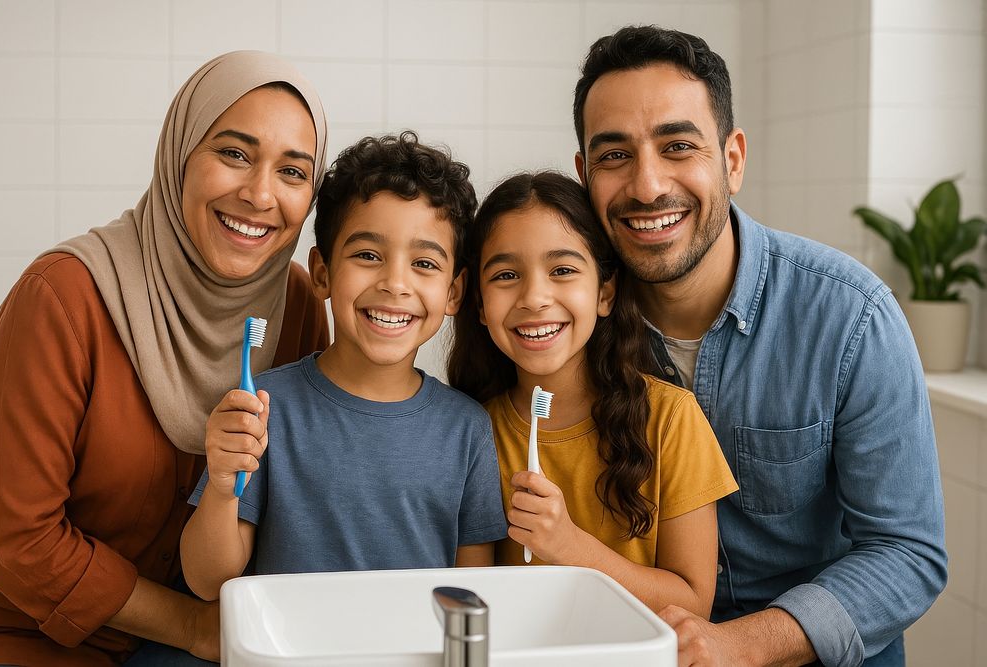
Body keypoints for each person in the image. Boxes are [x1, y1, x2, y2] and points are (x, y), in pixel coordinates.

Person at [571, 25, 947, 667]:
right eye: (614, 156)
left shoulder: (852, 317)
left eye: (678, 145)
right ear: (583, 175)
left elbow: (907, 553)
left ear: (733, 159)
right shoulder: (568, 324)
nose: (646, 185)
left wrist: (741, 644)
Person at [0, 51, 330, 666]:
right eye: (233, 153)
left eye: (294, 172)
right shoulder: (63, 297)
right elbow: (21, 541)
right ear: (179, 154)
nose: (259, 193)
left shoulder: (299, 305)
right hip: (32, 638)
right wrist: (193, 628)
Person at [180, 131, 508, 600]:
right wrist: (220, 484)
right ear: (321, 273)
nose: (396, 283)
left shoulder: (467, 429)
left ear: (454, 292)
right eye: (368, 256)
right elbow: (208, 581)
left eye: (424, 263)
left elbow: (472, 596)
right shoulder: (266, 408)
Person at [448, 171, 738, 617]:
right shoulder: (470, 432)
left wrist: (569, 545)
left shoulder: (670, 420)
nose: (535, 297)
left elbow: (693, 603)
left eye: (562, 270)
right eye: (506, 275)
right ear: (481, 306)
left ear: (605, 292)